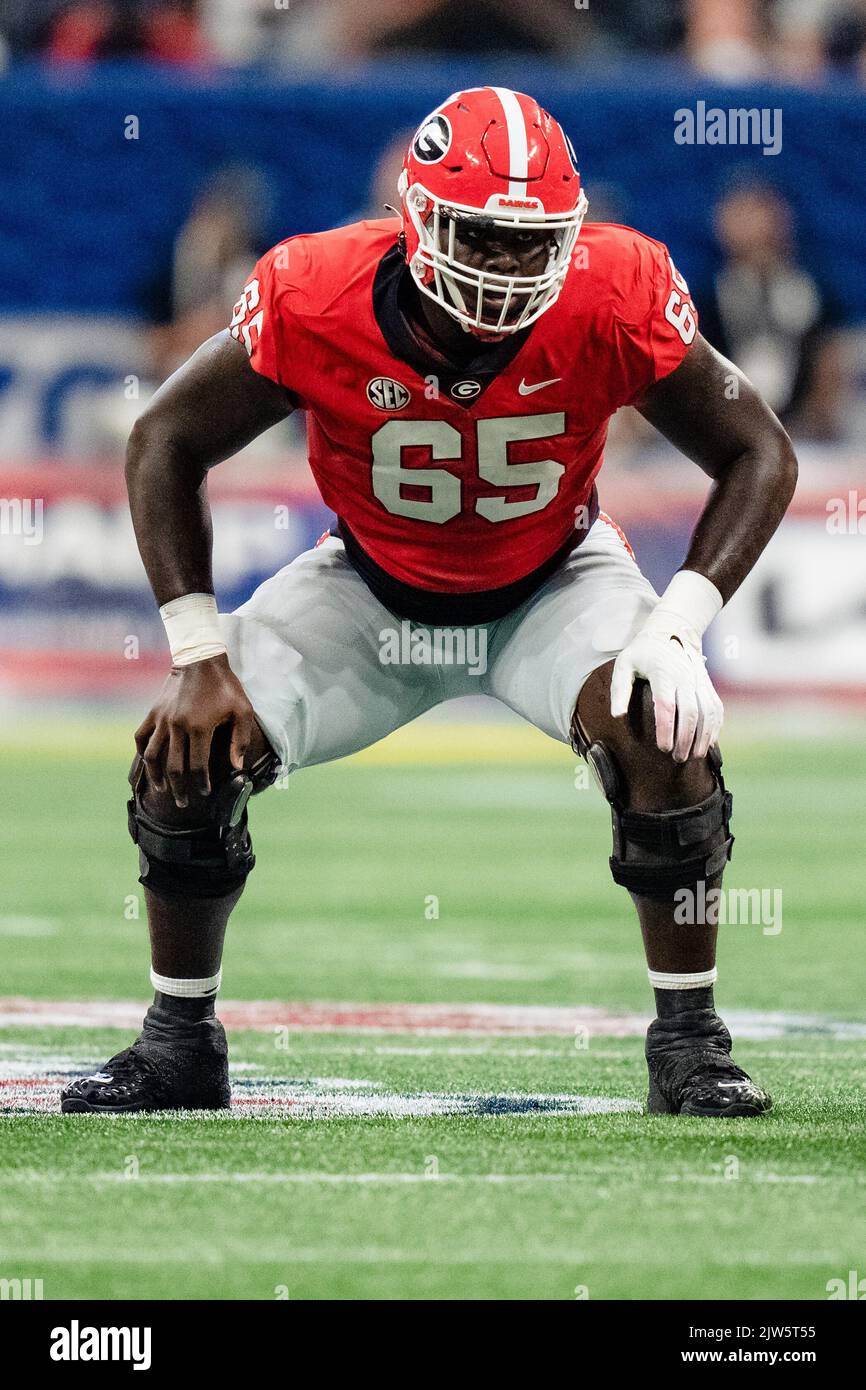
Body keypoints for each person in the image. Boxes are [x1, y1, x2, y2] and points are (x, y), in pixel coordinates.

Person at [62, 87, 796, 1119]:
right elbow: (165, 439)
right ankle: (179, 1039)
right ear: (416, 218)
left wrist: (678, 623)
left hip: (553, 581)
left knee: (661, 730)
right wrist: (195, 651)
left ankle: (689, 1042)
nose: (505, 266)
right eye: (482, 238)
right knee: (184, 751)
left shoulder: (611, 288)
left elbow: (756, 447)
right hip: (367, 584)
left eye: (530, 241)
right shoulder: (314, 290)